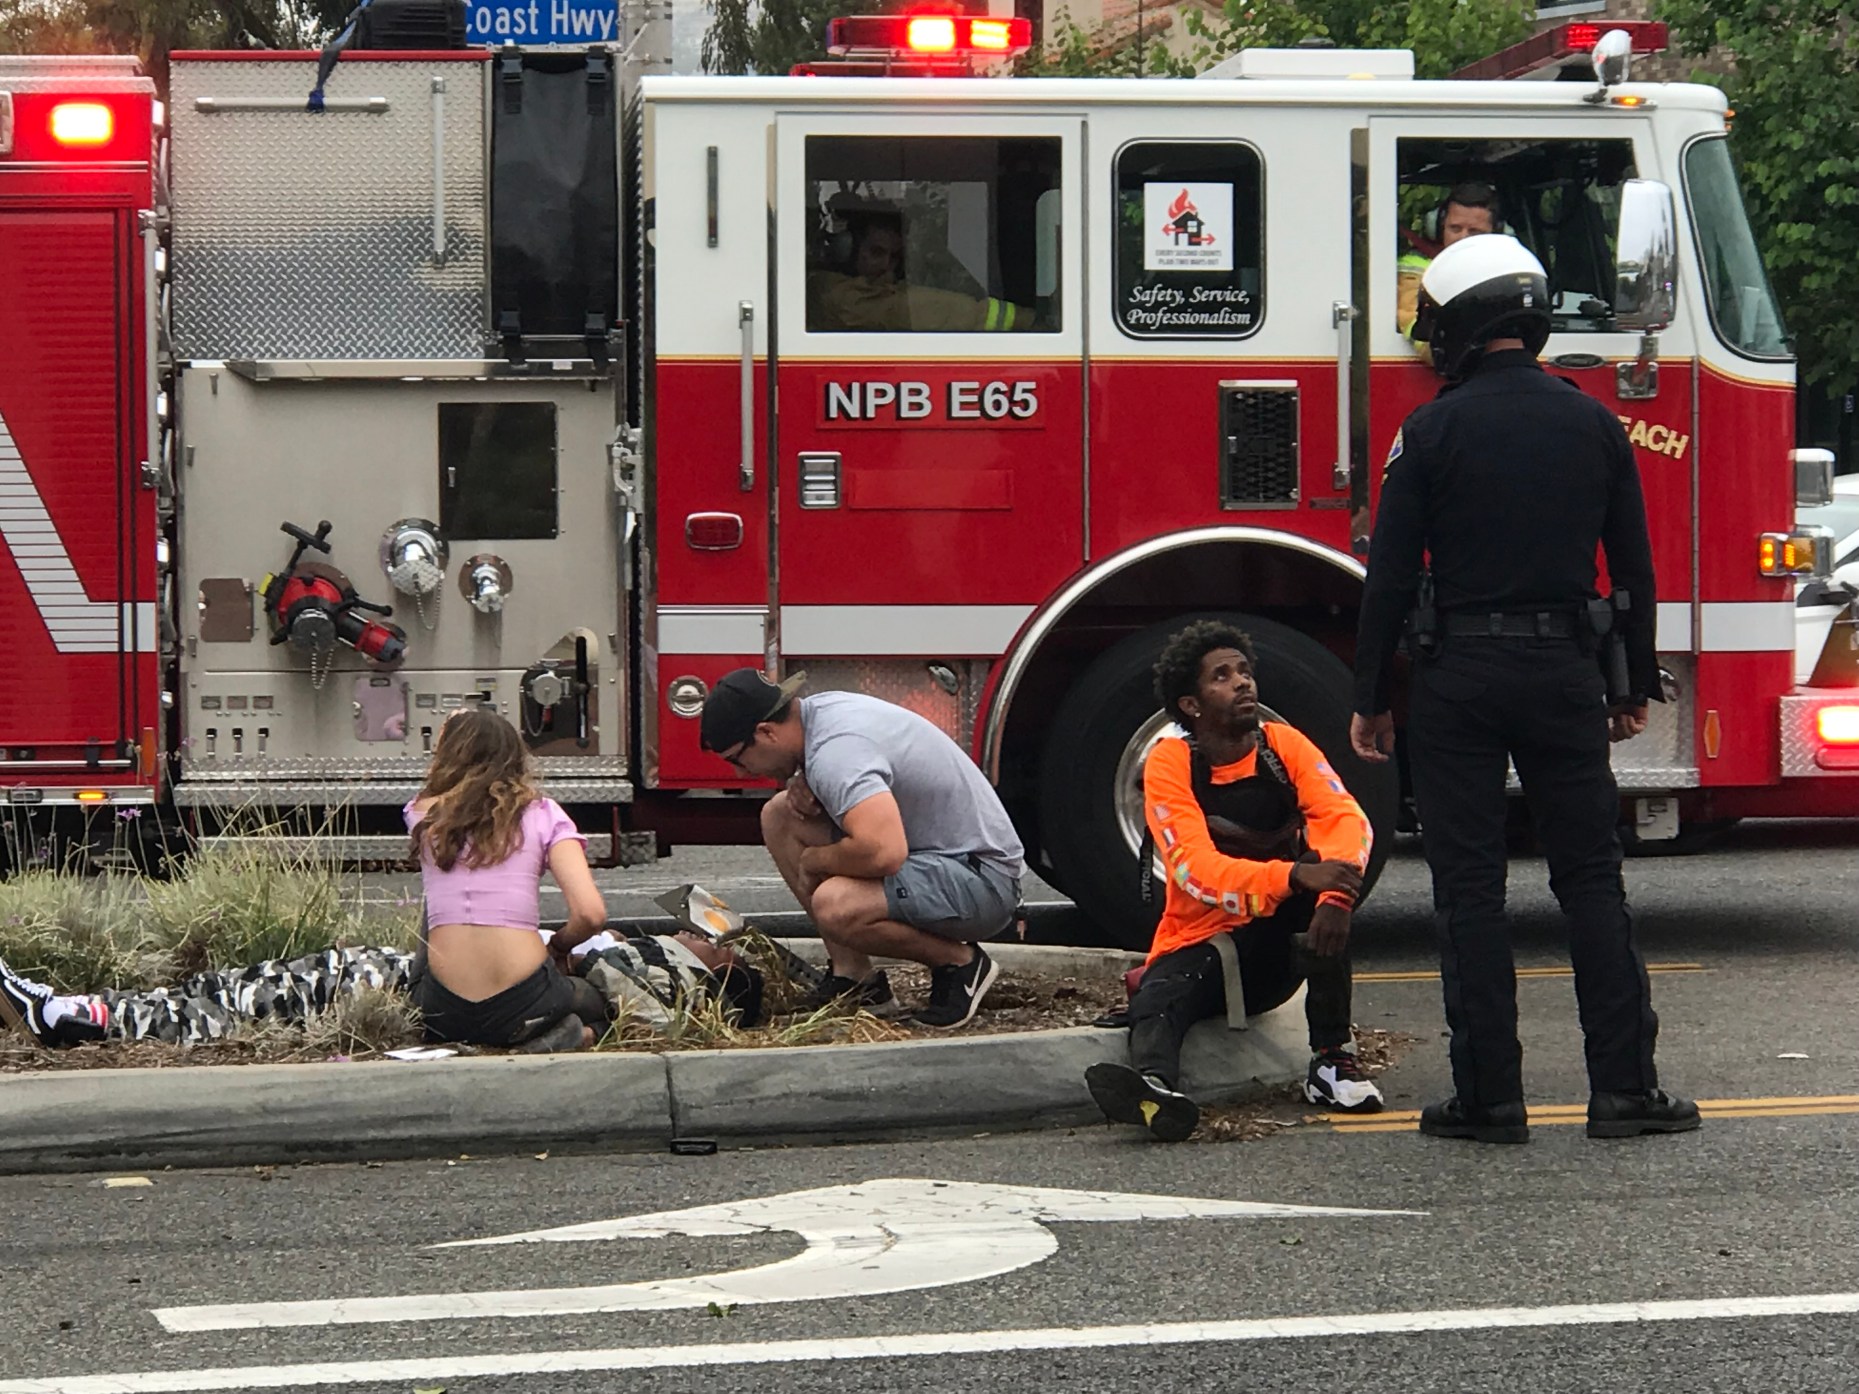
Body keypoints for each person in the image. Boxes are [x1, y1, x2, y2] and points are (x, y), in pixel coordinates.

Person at [1350, 234, 1699, 1145]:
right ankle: (1623, 1090)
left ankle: (1487, 1098)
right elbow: (1632, 567)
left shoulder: (1427, 429)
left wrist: (1369, 697)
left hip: (1458, 678)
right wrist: (1628, 681)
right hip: (1562, 676)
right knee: (1590, 880)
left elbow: (1388, 576)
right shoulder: (1590, 424)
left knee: (1468, 888)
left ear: (1461, 326)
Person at [1085, 621, 1384, 1143]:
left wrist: (1334, 894)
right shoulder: (1170, 763)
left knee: (1323, 893)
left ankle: (1333, 1065)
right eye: (1221, 677)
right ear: (1192, 705)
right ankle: (1156, 1092)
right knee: (1160, 996)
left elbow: (1345, 817)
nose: (1242, 683)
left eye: (1245, 672)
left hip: (1275, 950)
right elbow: (1194, 871)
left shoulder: (1282, 745)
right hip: (1201, 945)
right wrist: (1292, 874)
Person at [700, 668, 1023, 1029]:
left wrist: (815, 859)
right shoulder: (820, 717)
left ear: (766, 732)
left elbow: (883, 852)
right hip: (947, 859)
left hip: (983, 881)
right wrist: (803, 780)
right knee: (779, 816)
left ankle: (960, 963)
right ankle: (855, 978)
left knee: (837, 905)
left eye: (737, 759)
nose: (742, 774)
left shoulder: (836, 754)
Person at [403, 706, 613, 1053]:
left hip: (442, 1011)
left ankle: (447, 1028)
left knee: (435, 904)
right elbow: (591, 915)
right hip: (526, 1003)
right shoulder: (545, 815)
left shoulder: (421, 815)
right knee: (597, 1003)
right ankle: (572, 1036)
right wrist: (558, 947)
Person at [812, 211, 1037, 334]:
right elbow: (912, 308)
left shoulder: (879, 289)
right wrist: (1026, 320)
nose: (886, 265)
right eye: (876, 252)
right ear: (847, 248)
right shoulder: (832, 293)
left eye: (895, 257)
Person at [1397, 181, 1502, 352]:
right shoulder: (1415, 268)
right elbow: (1416, 330)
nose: (1462, 238)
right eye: (1455, 228)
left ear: (1495, 233)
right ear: (1439, 228)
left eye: (1475, 231)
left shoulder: (1507, 270)